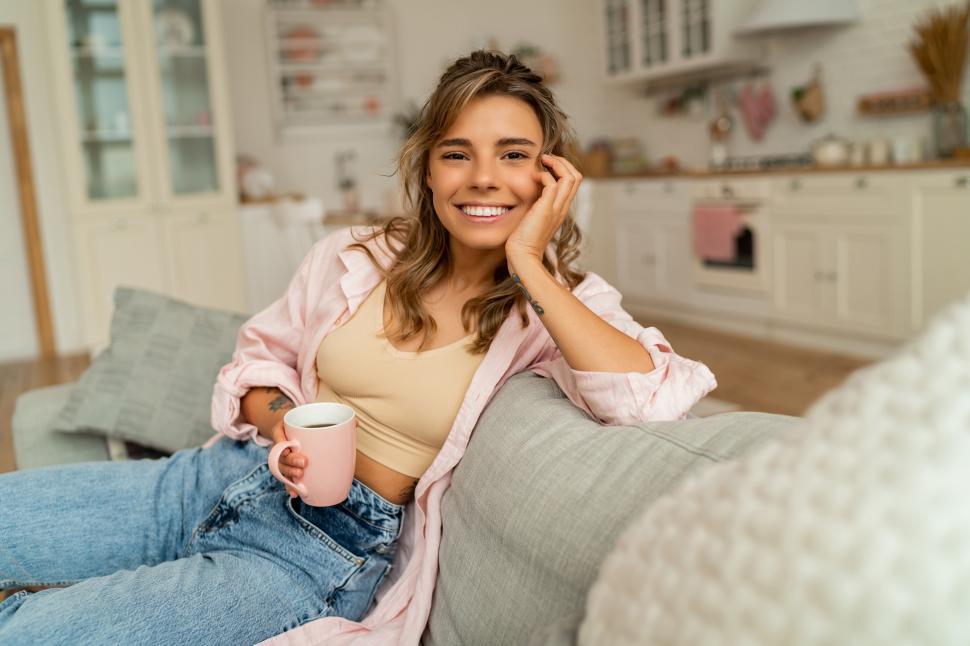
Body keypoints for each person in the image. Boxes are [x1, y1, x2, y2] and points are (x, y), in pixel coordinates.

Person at [0, 50, 716, 644]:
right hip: (218, 476)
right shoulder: (356, 256)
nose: (484, 178)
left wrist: (531, 261)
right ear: (428, 168)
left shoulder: (560, 308)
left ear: (550, 175)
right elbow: (258, 357)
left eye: (514, 155)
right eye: (457, 153)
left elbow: (647, 399)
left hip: (310, 555)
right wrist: (282, 423)